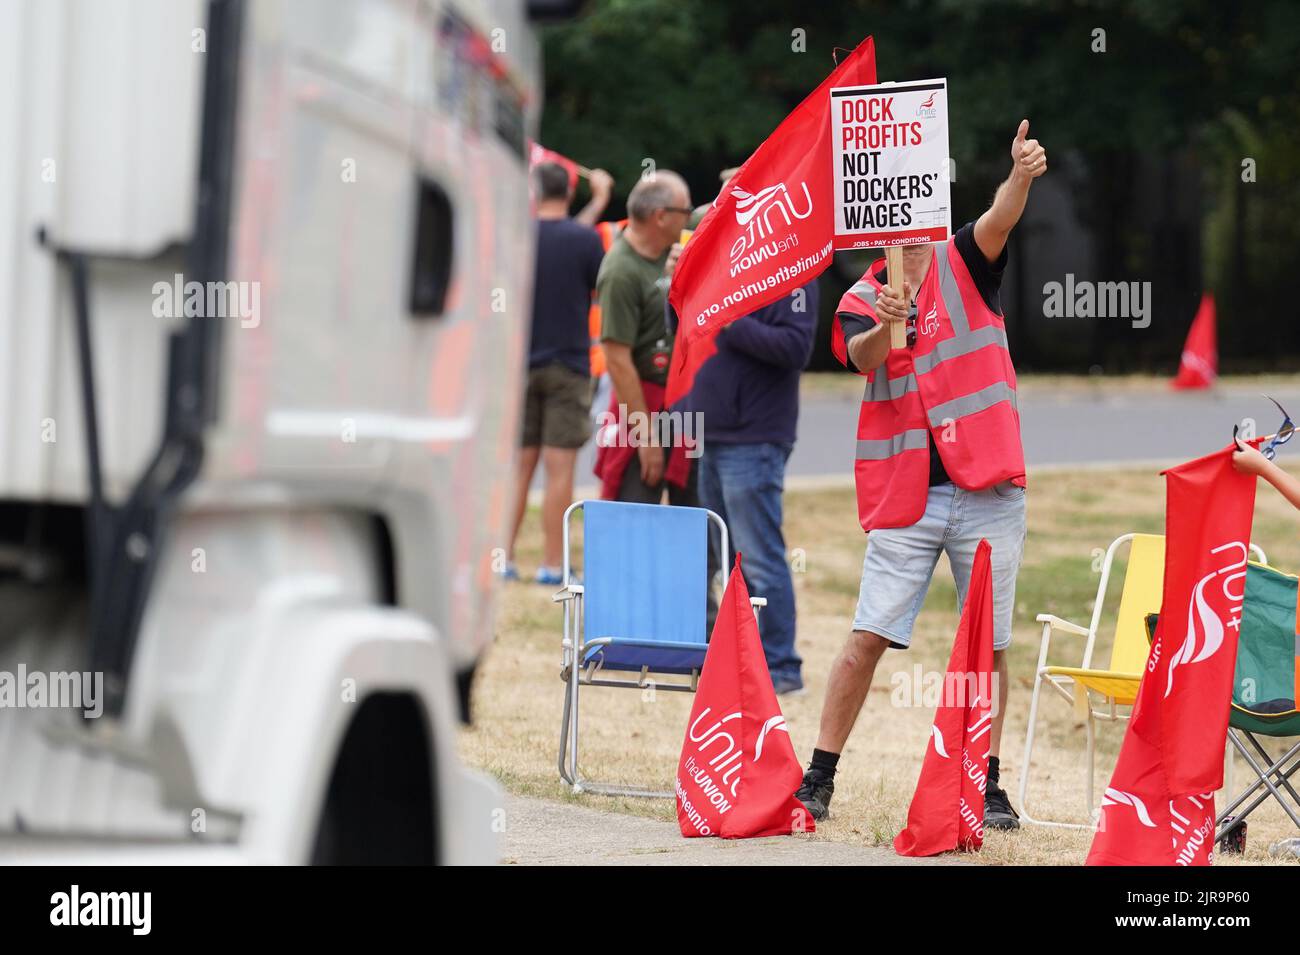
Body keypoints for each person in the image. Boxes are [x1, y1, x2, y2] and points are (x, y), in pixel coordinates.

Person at [795, 120, 1048, 830]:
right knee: (867, 637)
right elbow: (866, 357)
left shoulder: (964, 257)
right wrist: (887, 321)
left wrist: (1022, 175)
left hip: (987, 489)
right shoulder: (859, 296)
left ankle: (989, 782)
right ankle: (819, 775)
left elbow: (1000, 217)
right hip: (908, 497)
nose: (906, 222)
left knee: (991, 642)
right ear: (874, 222)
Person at [690, 282, 818, 694]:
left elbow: (796, 348)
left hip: (756, 436)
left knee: (759, 558)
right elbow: (684, 327)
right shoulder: (726, 267)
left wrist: (730, 319)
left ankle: (782, 668)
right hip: (712, 430)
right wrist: (682, 287)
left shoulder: (792, 272)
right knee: (724, 558)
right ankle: (737, 660)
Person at [502, 161, 613, 585]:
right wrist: (600, 199)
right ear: (568, 193)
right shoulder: (584, 241)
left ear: (533, 193)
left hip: (520, 364)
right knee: (560, 468)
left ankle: (504, 558)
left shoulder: (518, 237)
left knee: (520, 467)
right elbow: (587, 261)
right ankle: (552, 564)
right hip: (568, 364)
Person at [593, 170, 696, 504]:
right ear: (661, 217)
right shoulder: (621, 270)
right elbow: (617, 360)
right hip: (644, 410)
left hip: (681, 408)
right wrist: (646, 436)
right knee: (634, 519)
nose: (690, 218)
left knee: (692, 519)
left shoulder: (670, 253)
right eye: (685, 211)